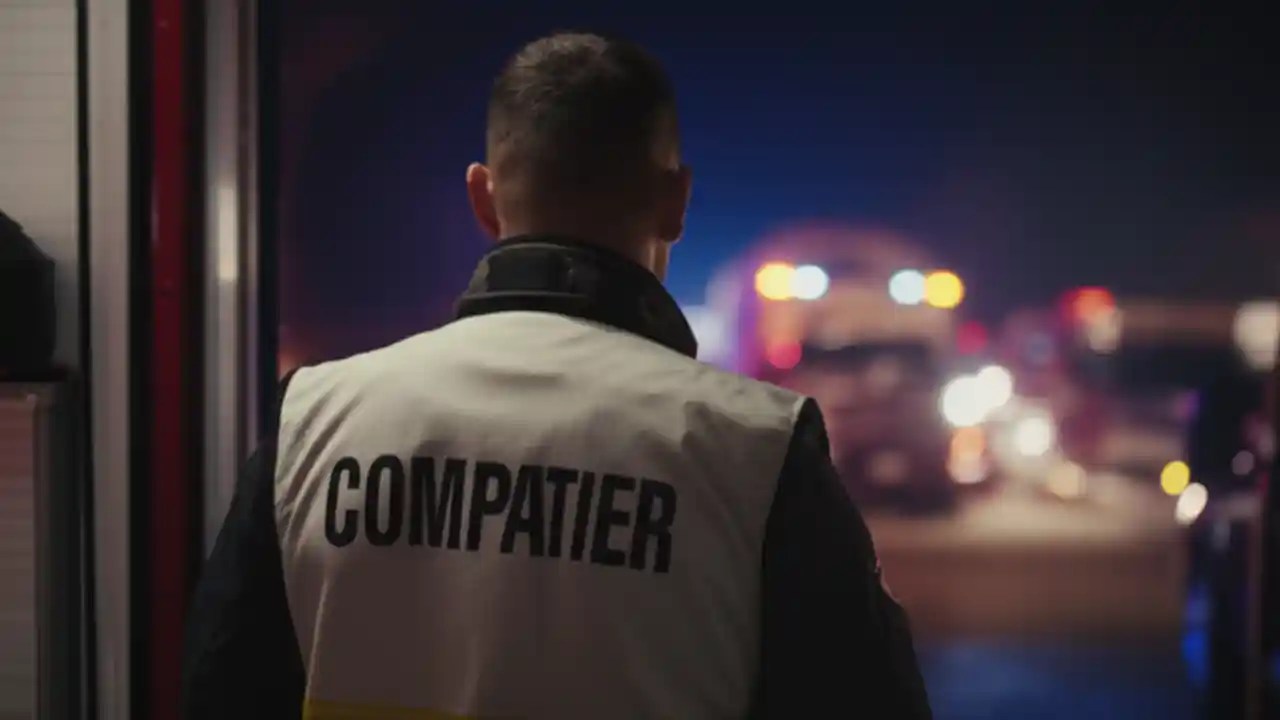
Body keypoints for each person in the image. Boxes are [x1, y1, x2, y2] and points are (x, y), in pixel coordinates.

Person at [182, 31, 931, 719]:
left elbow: (222, 689)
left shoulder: (315, 416)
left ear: (484, 197)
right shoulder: (756, 449)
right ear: (676, 201)